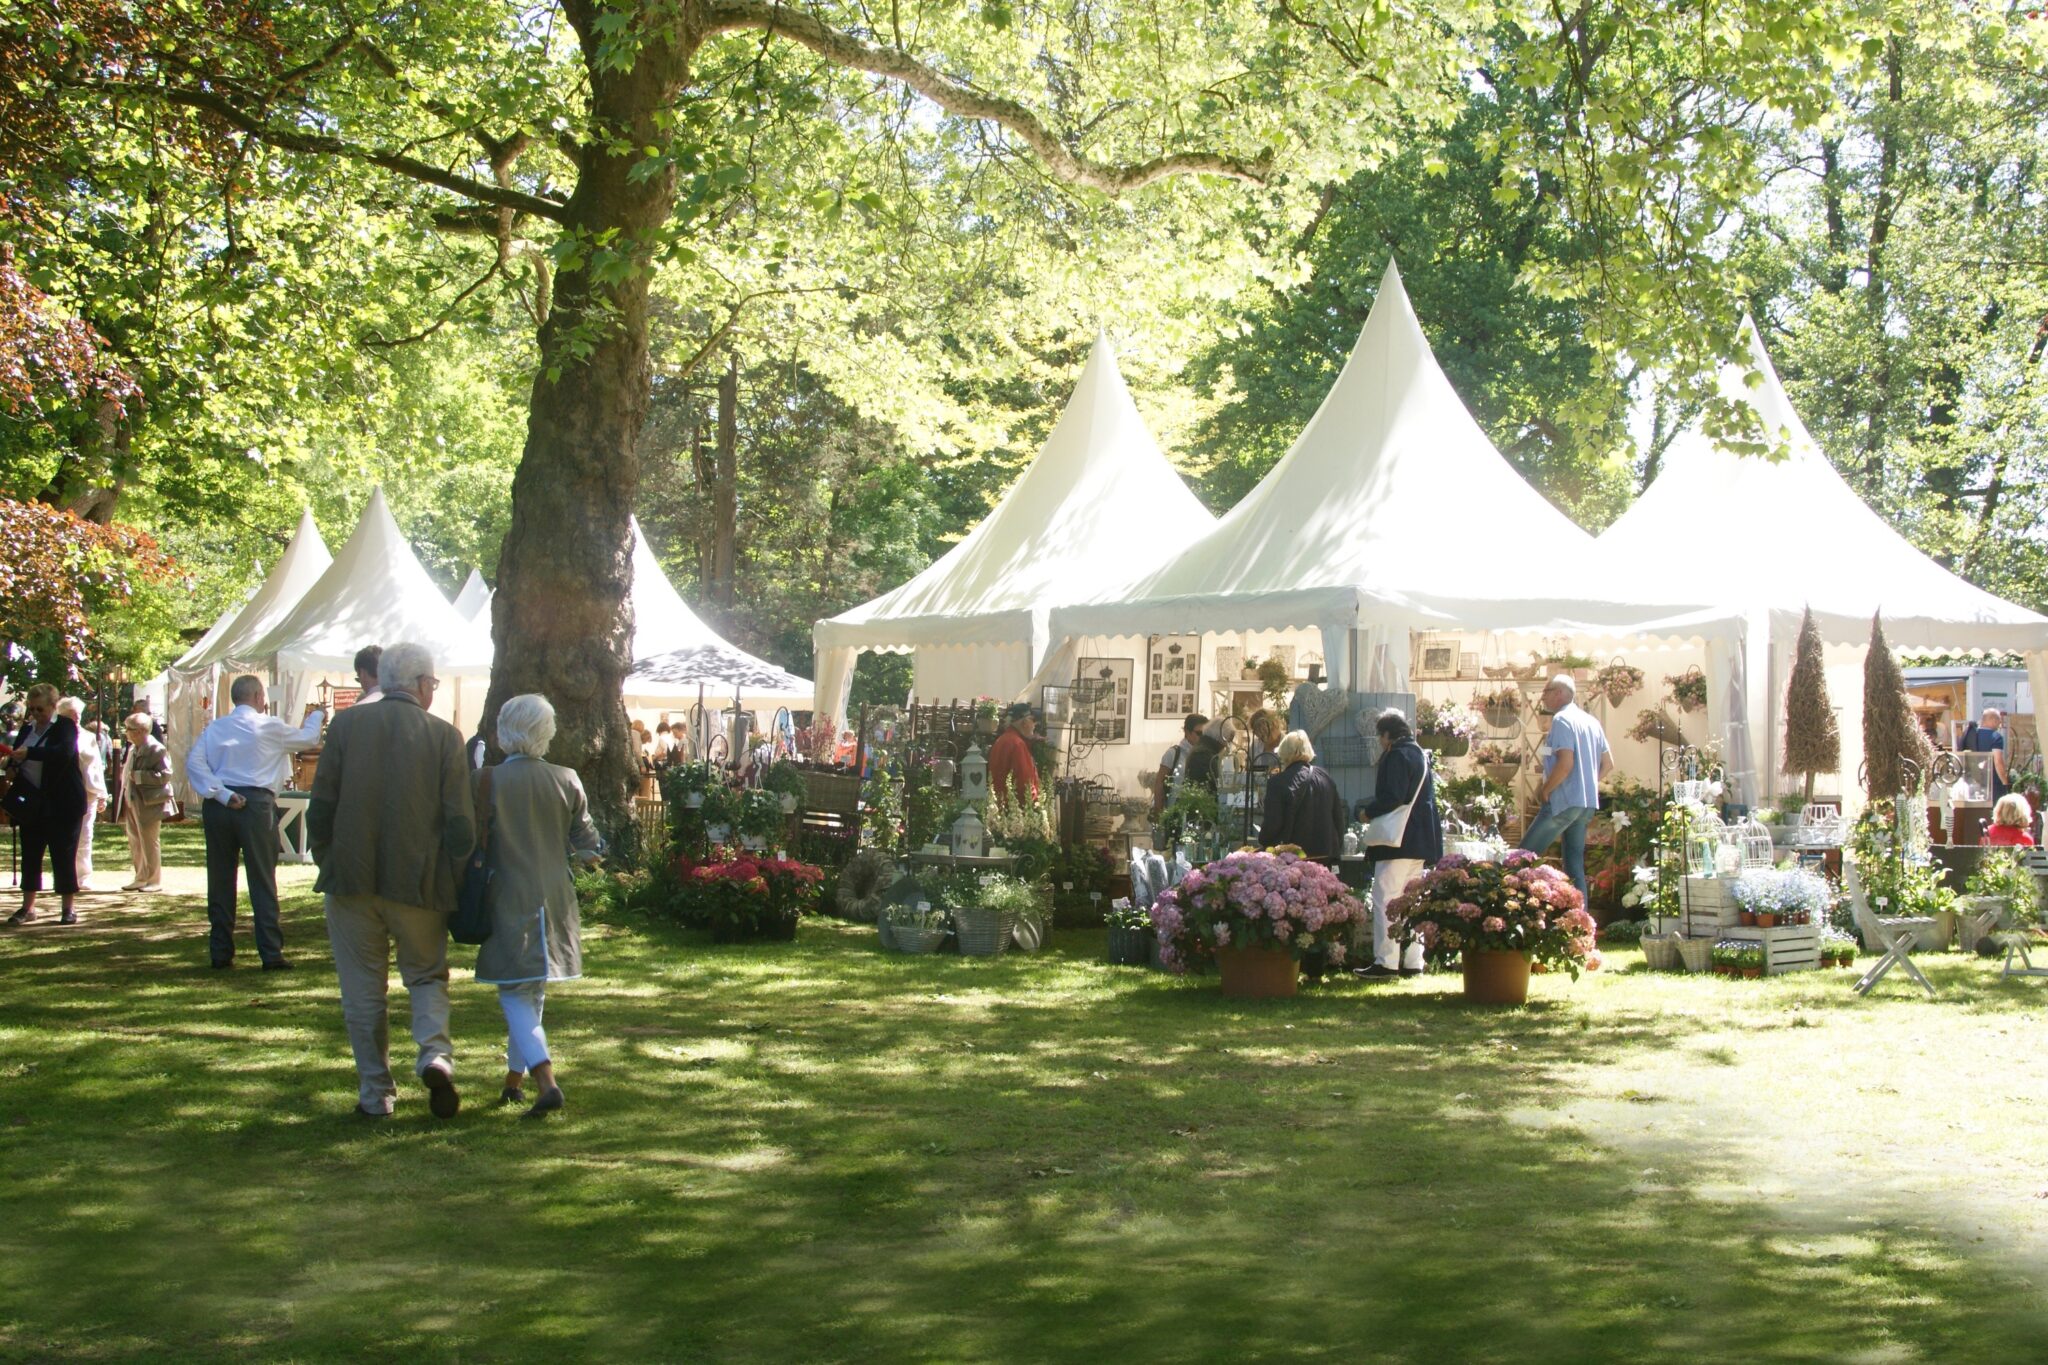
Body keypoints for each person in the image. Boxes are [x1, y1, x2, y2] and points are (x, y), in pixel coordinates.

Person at [308, 642, 475, 1120]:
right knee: (425, 976)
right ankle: (435, 1055)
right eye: (434, 684)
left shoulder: (346, 725)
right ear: (421, 684)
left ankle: (375, 1093)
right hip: (419, 881)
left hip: (350, 878)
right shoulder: (444, 735)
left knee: (362, 991)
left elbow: (322, 803)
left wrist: (329, 857)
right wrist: (454, 877)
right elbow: (460, 823)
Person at [473, 693, 603, 1119]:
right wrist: (596, 859)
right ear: (546, 733)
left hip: (506, 893)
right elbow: (588, 842)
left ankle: (544, 1079)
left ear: (503, 731)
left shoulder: (486, 781)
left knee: (515, 991)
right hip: (555, 896)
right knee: (531, 989)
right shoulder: (567, 779)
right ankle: (514, 1081)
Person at [185, 674, 325, 969]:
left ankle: (220, 950)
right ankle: (270, 952)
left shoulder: (216, 728)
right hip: (256, 804)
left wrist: (221, 794)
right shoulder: (268, 726)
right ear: (260, 698)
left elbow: (195, 763)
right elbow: (309, 738)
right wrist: (317, 715)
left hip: (220, 805)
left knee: (220, 878)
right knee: (262, 879)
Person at [1354, 708, 1443, 980]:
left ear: (1388, 734)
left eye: (1381, 735)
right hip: (1420, 840)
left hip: (1398, 841)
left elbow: (1392, 796)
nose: (1380, 741)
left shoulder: (1396, 755)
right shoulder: (1420, 754)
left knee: (1386, 898)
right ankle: (1414, 961)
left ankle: (1386, 962)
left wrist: (1367, 812)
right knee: (1411, 901)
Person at [1519, 674, 1613, 898]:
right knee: (1575, 867)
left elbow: (1565, 763)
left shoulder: (1562, 720)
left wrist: (1546, 789)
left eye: (1546, 692)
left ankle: (1511, 914)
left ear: (1560, 693)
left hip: (1563, 802)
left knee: (1521, 858)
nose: (1543, 698)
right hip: (1585, 804)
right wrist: (1586, 783)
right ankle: (1582, 925)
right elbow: (1608, 764)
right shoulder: (1591, 721)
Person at [7, 684, 87, 925]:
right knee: (30, 854)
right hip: (32, 803)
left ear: (53, 706)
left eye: (40, 709)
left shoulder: (65, 726)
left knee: (63, 854)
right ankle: (28, 907)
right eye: (31, 709)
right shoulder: (27, 728)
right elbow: (17, 755)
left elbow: (62, 752)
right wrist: (12, 765)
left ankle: (68, 908)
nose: (35, 714)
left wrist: (29, 752)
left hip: (63, 802)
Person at [1260, 730, 1344, 860]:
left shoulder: (1277, 783)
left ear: (1284, 753)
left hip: (1294, 857)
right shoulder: (1325, 777)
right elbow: (1338, 819)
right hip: (1325, 855)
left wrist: (1263, 843)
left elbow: (1272, 824)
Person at [56, 698, 109, 890]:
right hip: (66, 791)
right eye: (71, 713)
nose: (76, 717)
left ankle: (83, 876)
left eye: (78, 713)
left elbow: (96, 767)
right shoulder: (57, 736)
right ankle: (65, 876)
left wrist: (102, 793)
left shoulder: (88, 736)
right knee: (65, 836)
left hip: (88, 792)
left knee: (86, 835)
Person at [119, 713, 174, 891]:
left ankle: (153, 880)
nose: (126, 732)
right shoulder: (133, 748)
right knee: (135, 840)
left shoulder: (156, 749)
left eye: (130, 729)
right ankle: (141, 877)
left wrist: (139, 776)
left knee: (149, 841)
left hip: (150, 802)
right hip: (133, 799)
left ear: (142, 731)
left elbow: (166, 775)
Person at [1153, 713, 1209, 818]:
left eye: (1205, 734)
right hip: (1173, 814)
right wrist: (1158, 813)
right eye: (1199, 733)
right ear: (1187, 732)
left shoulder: (1205, 756)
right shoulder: (1173, 754)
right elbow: (1159, 783)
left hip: (1196, 814)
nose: (1202, 737)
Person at [988, 702, 1041, 803]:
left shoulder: (1001, 740)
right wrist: (1035, 803)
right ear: (1025, 722)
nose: (1035, 724)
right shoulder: (1017, 744)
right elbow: (1025, 784)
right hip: (1015, 810)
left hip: (999, 805)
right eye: (1033, 720)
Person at [1960, 708, 2011, 803]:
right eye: (1999, 722)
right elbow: (1998, 761)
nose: (1999, 725)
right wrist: (2005, 782)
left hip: (1972, 781)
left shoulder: (1971, 734)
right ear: (1993, 720)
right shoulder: (1996, 737)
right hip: (1992, 782)